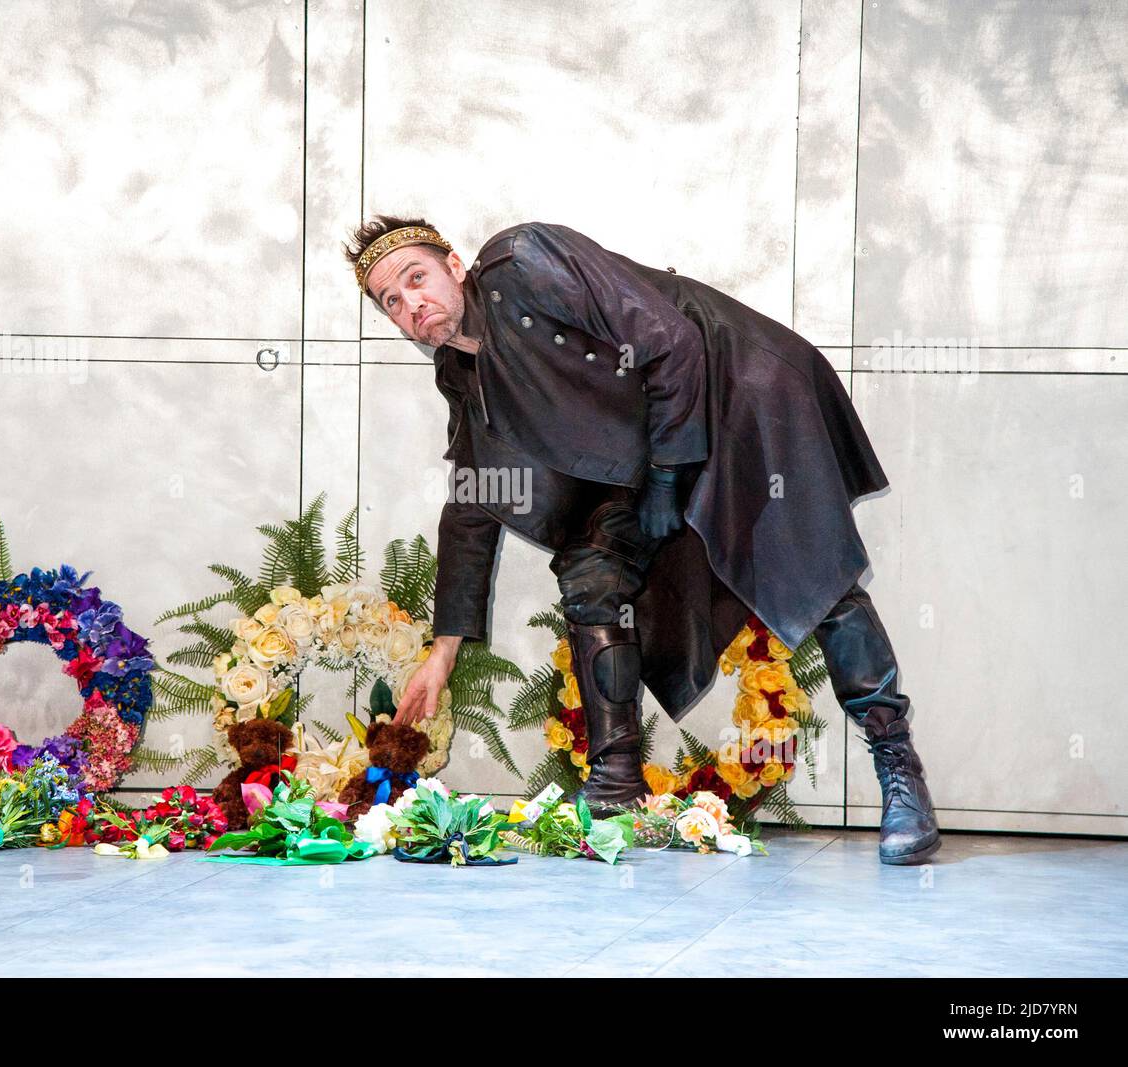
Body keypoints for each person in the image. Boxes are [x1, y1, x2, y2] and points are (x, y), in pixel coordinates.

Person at [343, 215, 941, 865]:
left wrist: (664, 479)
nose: (412, 305)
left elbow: (672, 343)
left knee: (817, 578)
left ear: (455, 266)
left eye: (416, 278)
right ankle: (615, 785)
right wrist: (443, 651)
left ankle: (901, 770)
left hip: (735, 392)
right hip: (653, 440)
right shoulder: (463, 376)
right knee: (590, 571)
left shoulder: (522, 260)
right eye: (392, 302)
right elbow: (473, 505)